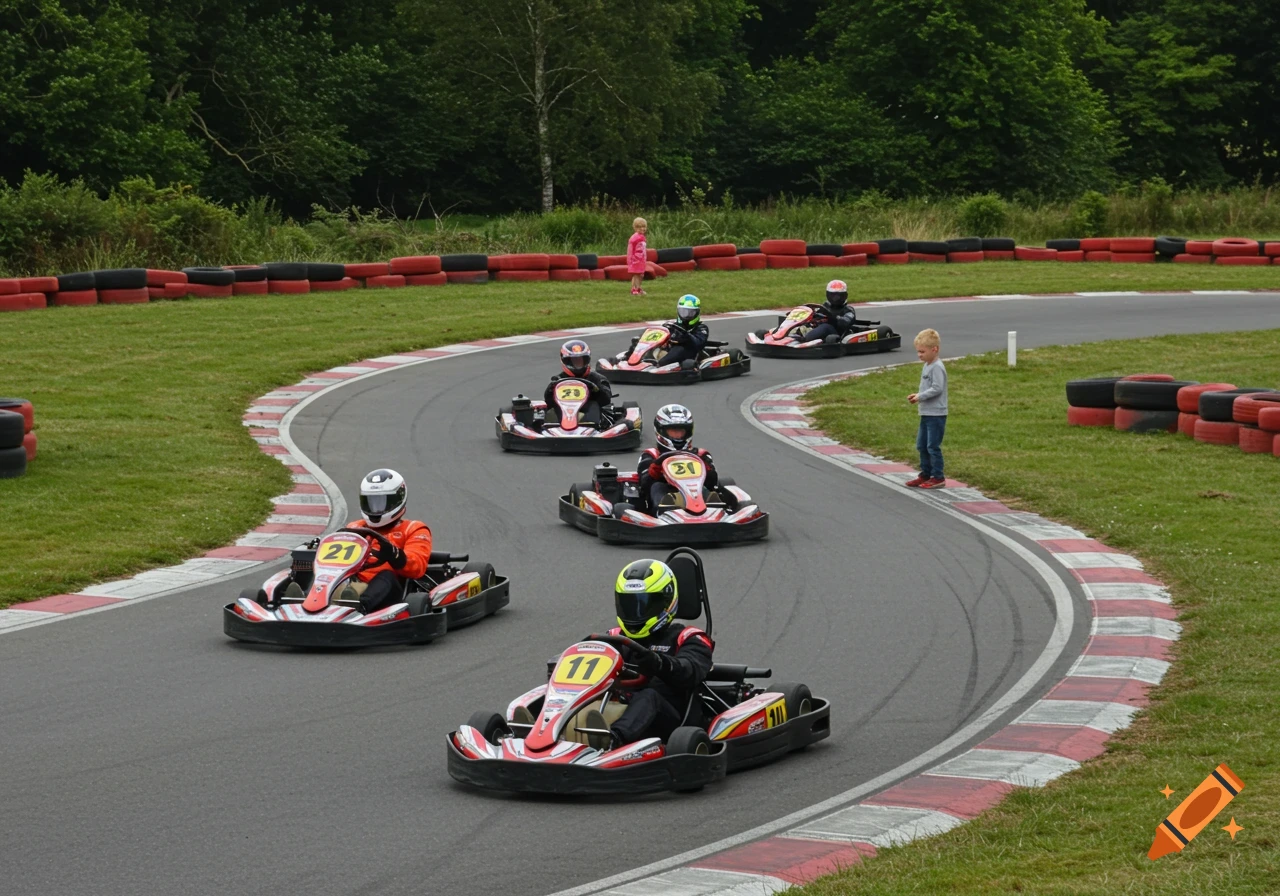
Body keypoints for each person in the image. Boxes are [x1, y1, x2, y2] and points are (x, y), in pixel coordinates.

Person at [588, 558, 715, 747]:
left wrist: (659, 664)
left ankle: (612, 741)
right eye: (629, 605)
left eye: (643, 604)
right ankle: (538, 730)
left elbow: (690, 670)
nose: (635, 612)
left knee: (649, 696)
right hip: (620, 706)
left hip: (671, 722)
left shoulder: (688, 637)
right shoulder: (612, 638)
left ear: (665, 603)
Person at [285, 469, 434, 612]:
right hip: (351, 582)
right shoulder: (354, 527)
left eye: (381, 502)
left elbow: (417, 568)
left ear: (397, 500)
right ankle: (303, 600)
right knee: (325, 571)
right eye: (370, 502)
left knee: (385, 575)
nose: (375, 509)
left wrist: (394, 554)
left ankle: (359, 607)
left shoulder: (414, 529)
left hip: (388, 589)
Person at [636, 403, 718, 513]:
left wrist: (705, 467)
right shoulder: (651, 455)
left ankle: (712, 509)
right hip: (665, 494)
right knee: (657, 486)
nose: (678, 436)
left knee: (704, 489)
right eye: (673, 431)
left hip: (695, 493)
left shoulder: (701, 454)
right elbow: (644, 485)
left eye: (681, 432)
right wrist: (656, 467)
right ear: (661, 431)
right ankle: (665, 509)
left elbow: (712, 482)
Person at [906, 328, 948, 489]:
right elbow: (928, 387)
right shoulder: (927, 365)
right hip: (926, 411)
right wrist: (918, 394)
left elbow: (937, 388)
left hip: (936, 413)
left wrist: (920, 397)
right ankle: (925, 473)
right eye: (918, 351)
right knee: (921, 445)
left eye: (922, 351)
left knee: (932, 446)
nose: (920, 355)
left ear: (934, 349)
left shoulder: (937, 366)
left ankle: (938, 476)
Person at [544, 339, 613, 426]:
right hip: (564, 411)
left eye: (581, 360)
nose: (578, 364)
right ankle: (556, 428)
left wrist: (596, 390)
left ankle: (591, 427)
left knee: (593, 405)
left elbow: (606, 400)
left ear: (587, 360)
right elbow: (548, 402)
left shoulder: (597, 378)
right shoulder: (558, 380)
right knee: (552, 410)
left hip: (590, 412)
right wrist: (550, 390)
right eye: (575, 361)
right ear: (566, 361)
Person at [660, 294, 710, 368]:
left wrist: (686, 336)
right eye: (683, 312)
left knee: (679, 349)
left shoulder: (701, 328)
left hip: (688, 353)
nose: (686, 315)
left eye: (690, 313)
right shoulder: (672, 326)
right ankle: (642, 361)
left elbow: (698, 343)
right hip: (669, 351)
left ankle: (660, 364)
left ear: (697, 312)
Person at [628, 217, 648, 296]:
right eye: (639, 227)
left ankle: (638, 288)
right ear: (635, 228)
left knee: (640, 275)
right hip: (635, 259)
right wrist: (630, 260)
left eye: (644, 227)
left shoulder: (642, 237)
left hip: (641, 259)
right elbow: (630, 250)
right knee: (636, 274)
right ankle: (634, 289)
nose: (642, 229)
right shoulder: (634, 238)